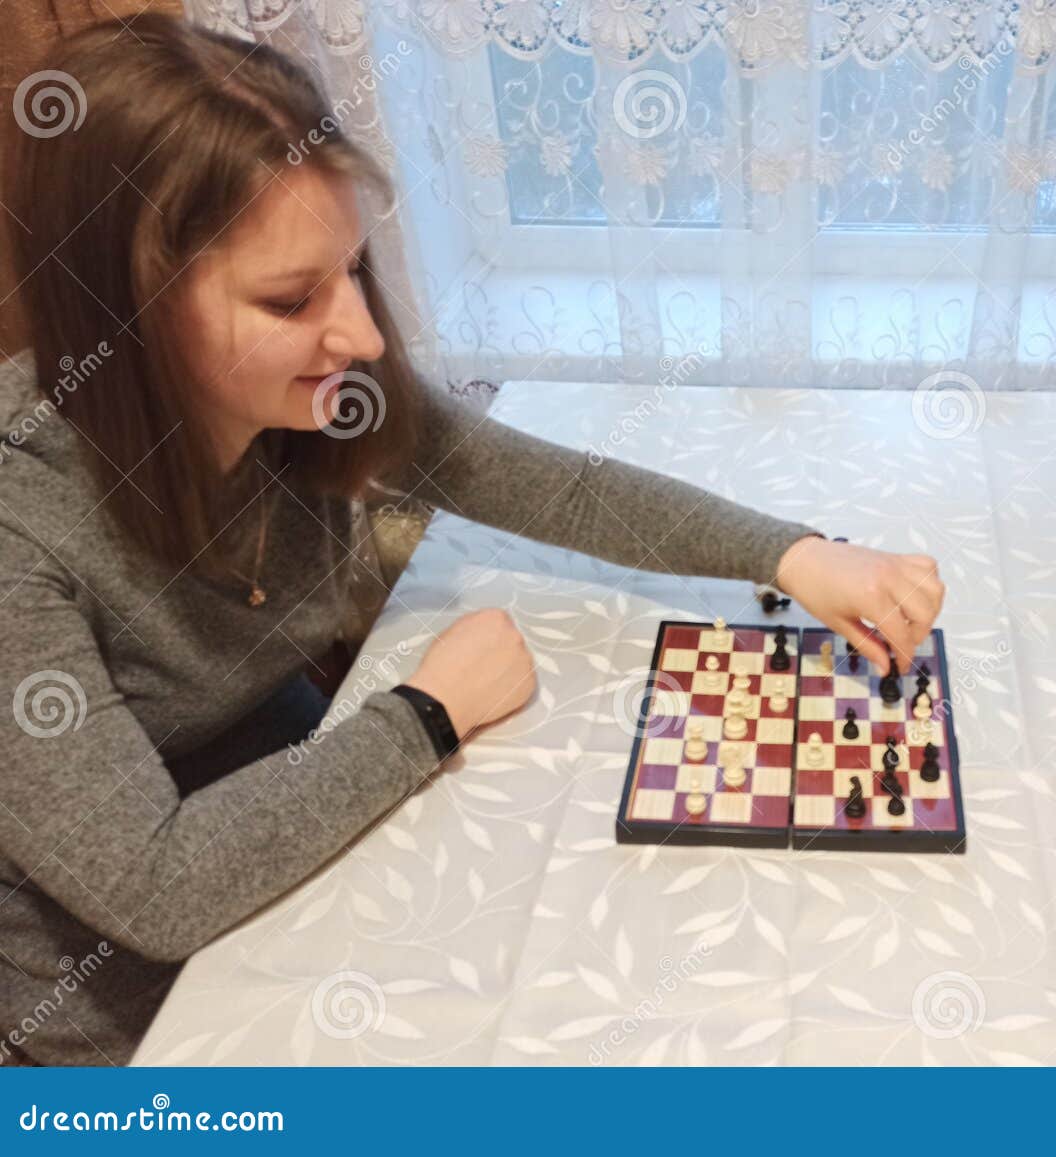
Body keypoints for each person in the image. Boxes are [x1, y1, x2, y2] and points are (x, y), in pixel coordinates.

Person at [0, 15, 944, 1065]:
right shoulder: (19, 533)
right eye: (289, 297)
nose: (359, 334)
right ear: (124, 313)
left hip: (298, 807)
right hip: (119, 1007)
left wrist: (794, 553)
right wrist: (425, 713)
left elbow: (553, 487)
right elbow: (153, 885)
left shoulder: (317, 397)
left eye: (353, 270)